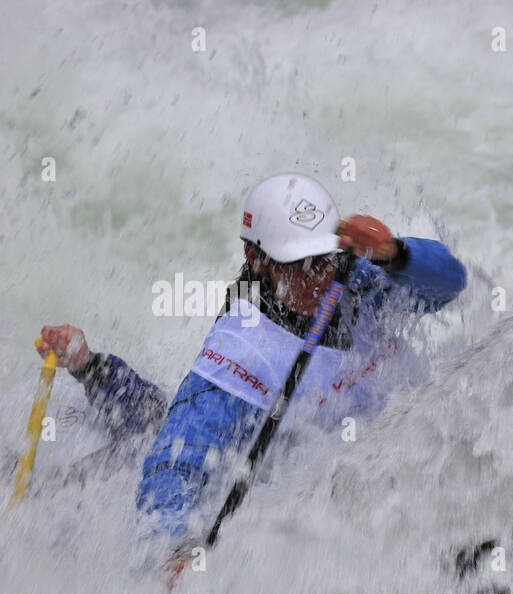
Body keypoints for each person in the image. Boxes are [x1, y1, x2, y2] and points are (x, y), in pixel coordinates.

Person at [36, 172, 467, 545]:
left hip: (400, 461)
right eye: (298, 265)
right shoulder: (237, 356)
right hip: (303, 481)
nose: (317, 276)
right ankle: (95, 370)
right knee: (152, 429)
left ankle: (91, 367)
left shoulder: (357, 275)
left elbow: (449, 286)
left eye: (324, 258)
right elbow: (173, 465)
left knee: (158, 416)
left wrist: (398, 254)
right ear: (255, 259)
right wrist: (174, 550)